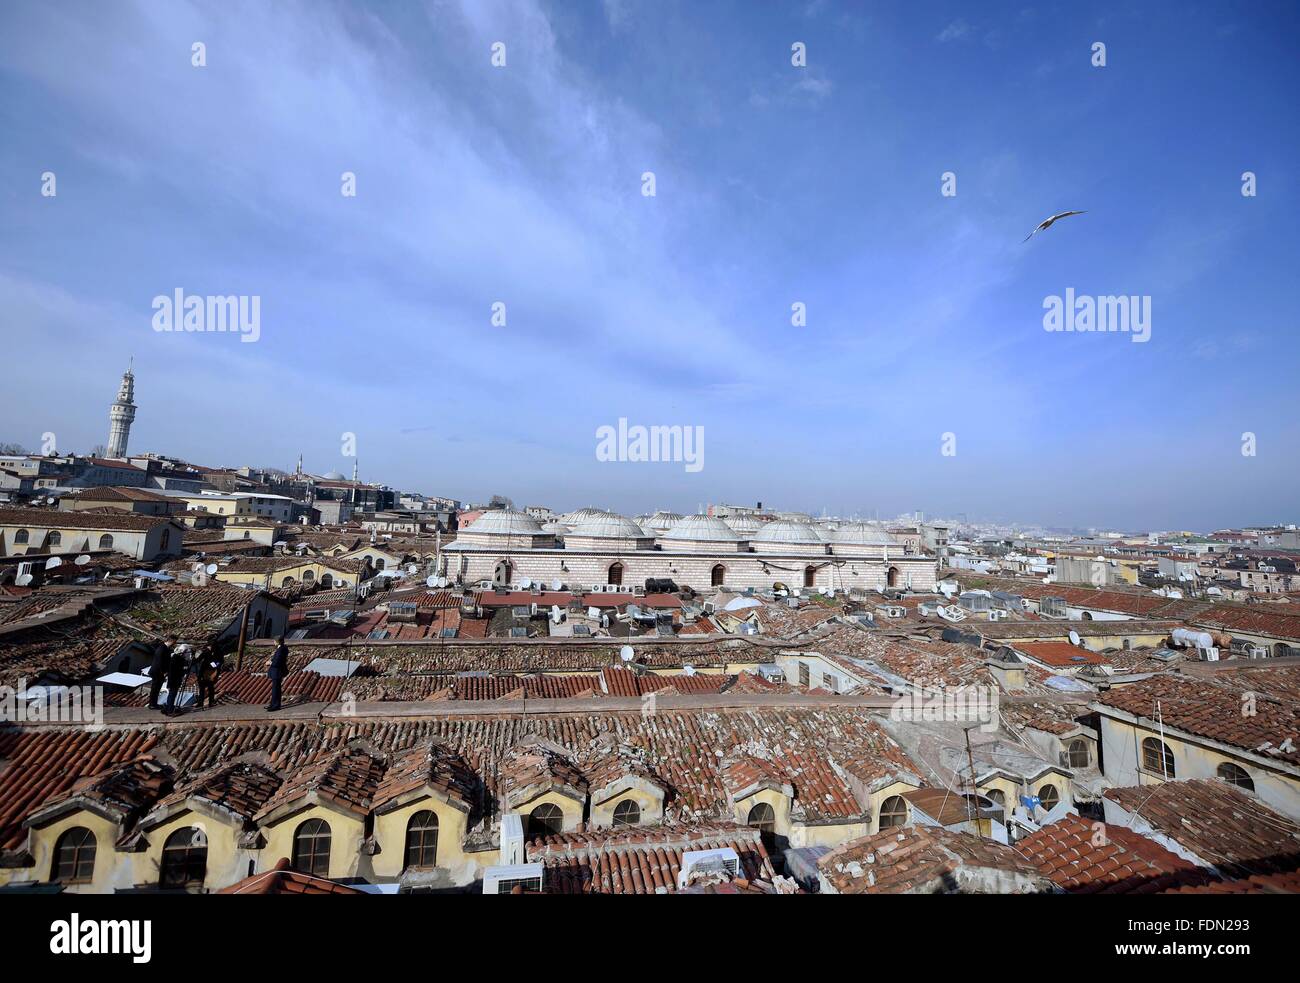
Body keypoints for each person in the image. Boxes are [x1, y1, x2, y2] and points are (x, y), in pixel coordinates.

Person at [147, 637, 174, 710]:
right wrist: (164, 672)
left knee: (157, 688)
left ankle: (154, 703)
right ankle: (152, 704)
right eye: (174, 642)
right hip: (157, 671)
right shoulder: (162, 648)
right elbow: (160, 662)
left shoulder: (165, 648)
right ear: (170, 641)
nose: (174, 644)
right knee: (155, 688)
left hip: (159, 671)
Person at [164, 643, 191, 716]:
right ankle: (170, 710)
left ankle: (170, 708)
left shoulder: (175, 657)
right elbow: (179, 670)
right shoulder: (177, 658)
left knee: (172, 694)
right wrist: (184, 669)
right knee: (172, 694)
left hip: (173, 679)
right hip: (174, 680)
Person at [266, 634, 289, 711]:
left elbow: (277, 662)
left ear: (277, 642)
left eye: (274, 641)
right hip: (278, 672)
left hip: (277, 672)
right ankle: (273, 704)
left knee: (276, 689)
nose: (273, 642)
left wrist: (270, 662)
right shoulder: (283, 649)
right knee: (276, 689)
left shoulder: (280, 650)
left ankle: (275, 705)